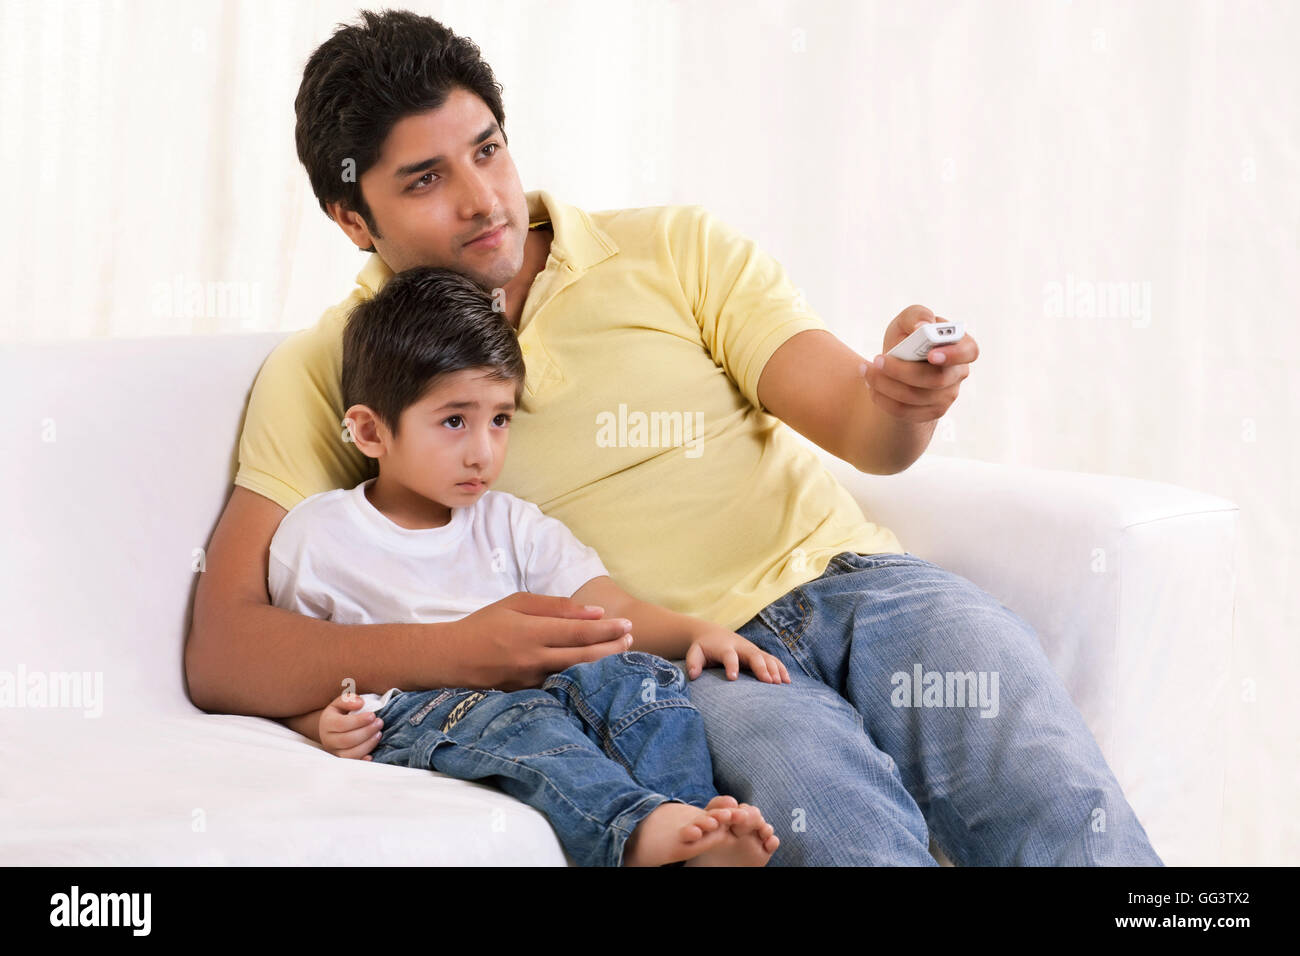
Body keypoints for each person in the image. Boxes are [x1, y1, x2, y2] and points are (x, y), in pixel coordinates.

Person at [186, 8, 1164, 865]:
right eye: (427, 179)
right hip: (685, 662)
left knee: (1055, 798)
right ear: (351, 215)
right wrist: (459, 647)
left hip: (860, 584)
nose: (483, 198)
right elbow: (227, 648)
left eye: (488, 149)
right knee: (833, 824)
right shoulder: (335, 367)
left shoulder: (671, 246)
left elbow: (860, 425)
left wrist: (903, 394)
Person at [266, 266, 784, 866]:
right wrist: (318, 723)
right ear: (370, 431)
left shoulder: (511, 523)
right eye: (454, 421)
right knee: (523, 722)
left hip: (541, 690)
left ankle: (695, 821)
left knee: (632, 677)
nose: (483, 451)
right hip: (427, 710)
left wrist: (700, 632)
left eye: (500, 419)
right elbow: (287, 674)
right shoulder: (320, 536)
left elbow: (607, 615)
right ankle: (636, 831)